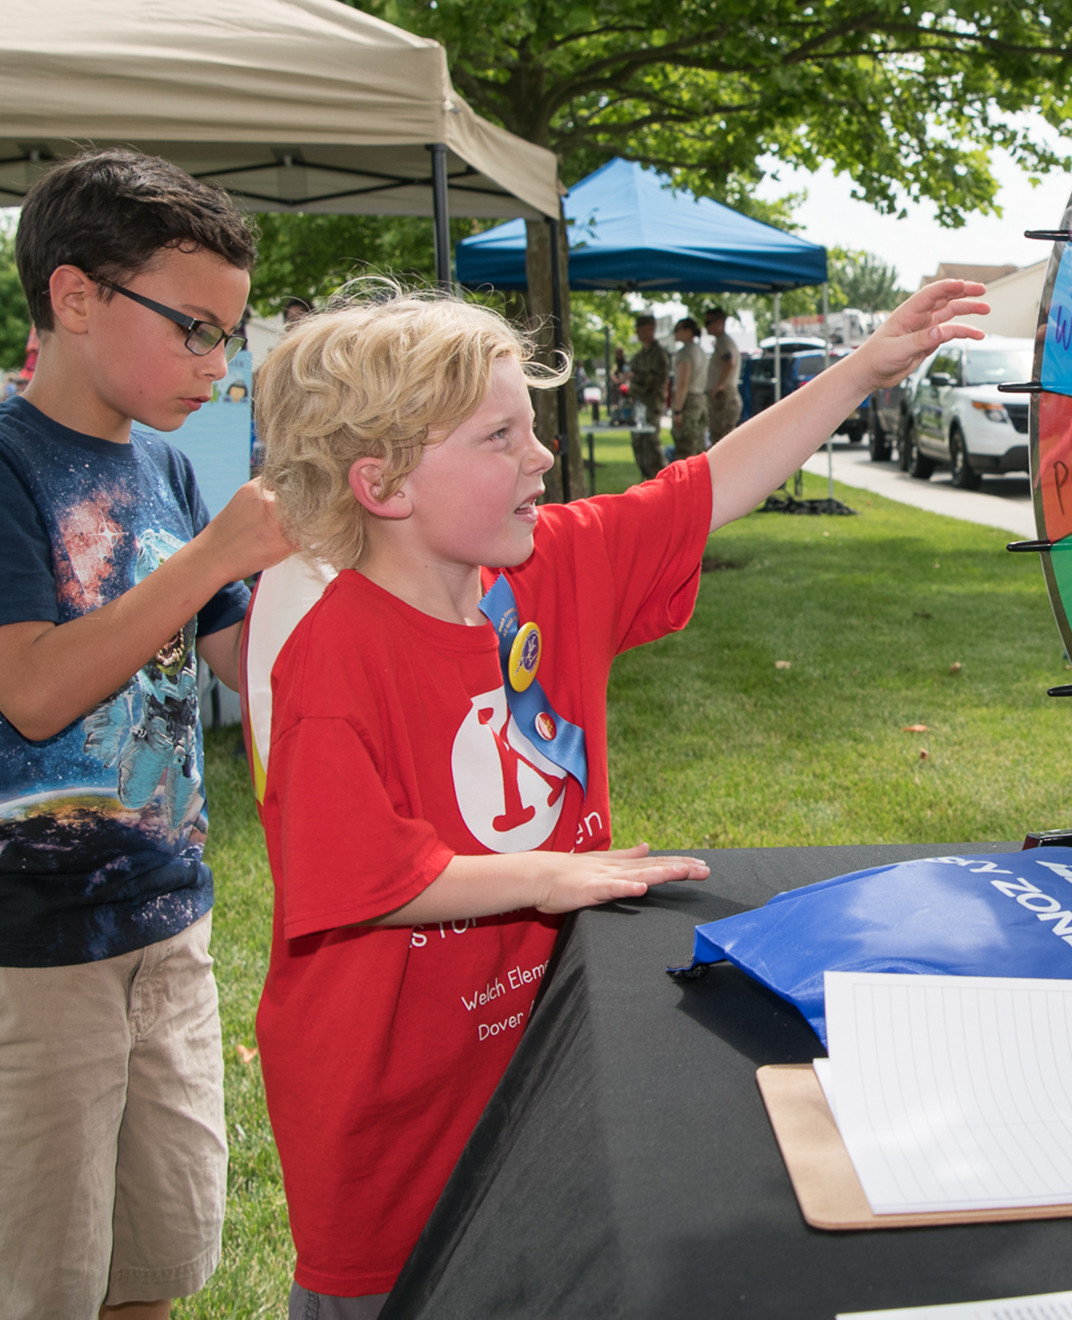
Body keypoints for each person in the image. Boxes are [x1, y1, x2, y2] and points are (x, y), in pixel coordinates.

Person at [248, 273, 988, 1312]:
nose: (542, 454)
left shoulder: (544, 568)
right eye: (500, 437)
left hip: (532, 1068)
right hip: (389, 1121)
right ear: (385, 486)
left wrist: (865, 367)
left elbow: (710, 482)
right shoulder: (332, 661)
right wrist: (552, 874)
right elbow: (364, 875)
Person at [0, 147, 291, 1319]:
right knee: (28, 1289)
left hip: (164, 931)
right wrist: (219, 556)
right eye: (194, 329)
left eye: (231, 337)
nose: (218, 368)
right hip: (22, 956)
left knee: (149, 1274)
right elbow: (30, 689)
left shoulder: (164, 464)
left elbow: (237, 655)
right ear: (75, 299)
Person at [624, 312, 667, 483]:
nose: (639, 333)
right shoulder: (640, 355)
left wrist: (634, 382)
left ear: (651, 329)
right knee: (638, 443)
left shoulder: (659, 354)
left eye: (642, 329)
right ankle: (646, 478)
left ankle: (659, 479)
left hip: (652, 404)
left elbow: (655, 381)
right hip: (639, 404)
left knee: (651, 444)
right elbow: (634, 375)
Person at [667, 314, 706, 463]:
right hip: (700, 400)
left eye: (678, 329)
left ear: (689, 331)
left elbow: (683, 383)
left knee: (685, 451)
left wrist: (677, 410)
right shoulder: (700, 351)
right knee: (698, 449)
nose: (675, 332)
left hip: (688, 402)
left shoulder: (685, 352)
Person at [701, 305, 742, 449]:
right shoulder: (722, 341)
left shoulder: (724, 341)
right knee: (718, 439)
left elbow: (729, 363)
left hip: (724, 397)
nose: (706, 326)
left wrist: (719, 385)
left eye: (709, 322)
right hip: (724, 395)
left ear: (720, 322)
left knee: (722, 443)